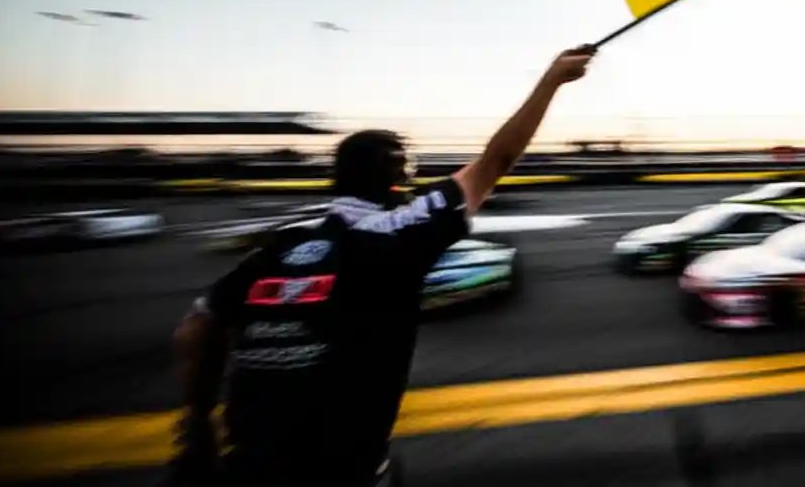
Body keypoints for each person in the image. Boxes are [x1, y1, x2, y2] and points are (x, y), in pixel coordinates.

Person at [165, 45, 596, 486]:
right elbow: (494, 161)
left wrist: (197, 421)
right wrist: (551, 81)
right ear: (398, 181)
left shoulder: (278, 246)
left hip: (244, 467)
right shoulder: (397, 231)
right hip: (343, 469)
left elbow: (195, 328)